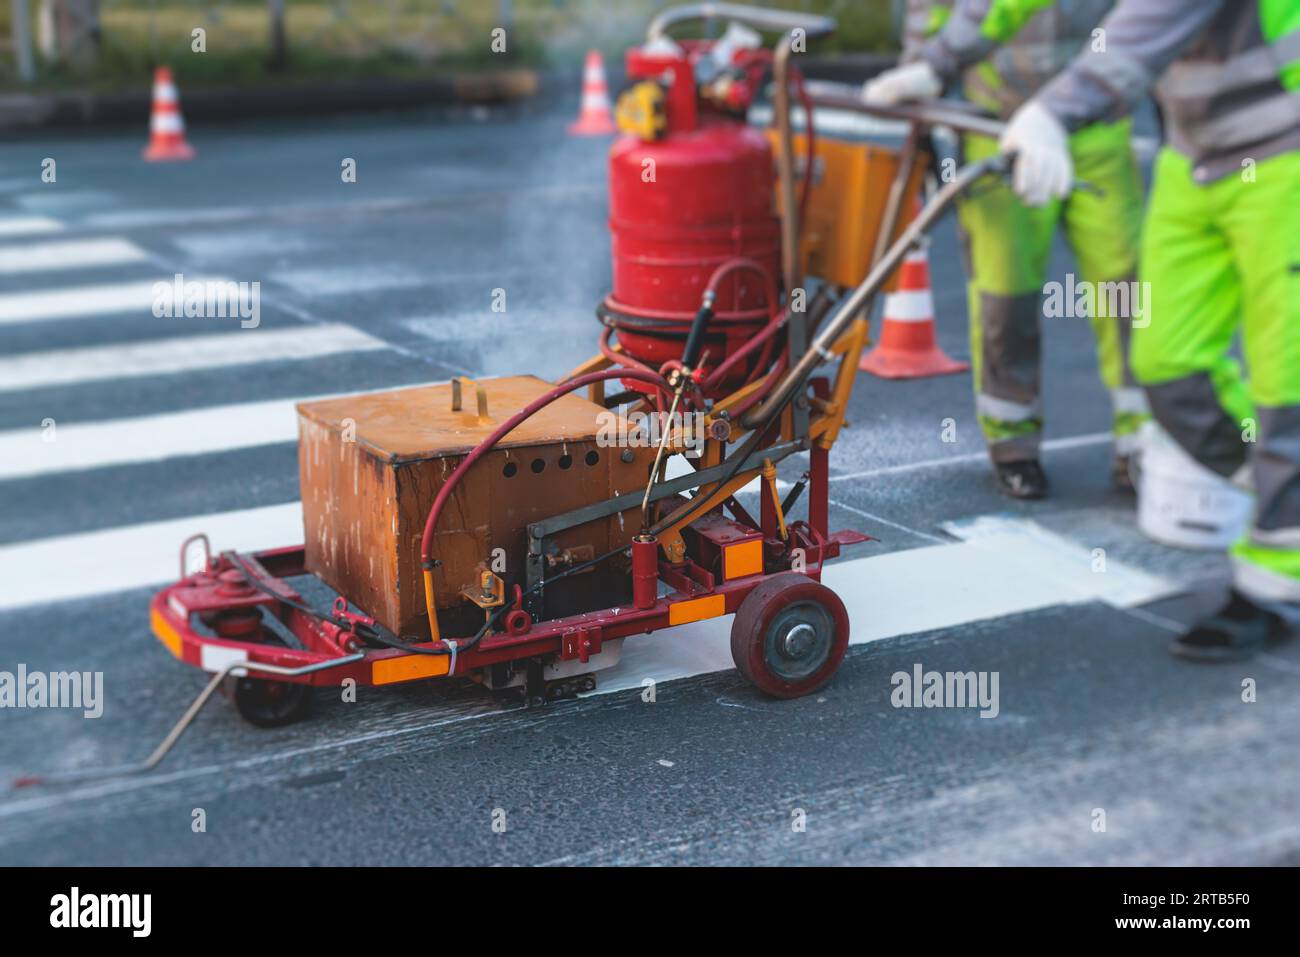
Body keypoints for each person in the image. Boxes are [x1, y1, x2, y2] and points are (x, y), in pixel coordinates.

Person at [992, 0, 1300, 659]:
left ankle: (1271, 585)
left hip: (1284, 150)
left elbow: (1150, 19)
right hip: (1194, 156)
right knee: (1163, 362)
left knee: (1286, 386)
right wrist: (934, 64)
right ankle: (1282, 491)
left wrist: (1054, 109)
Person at [865, 0, 1147, 499]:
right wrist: (921, 93)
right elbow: (928, 16)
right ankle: (1013, 445)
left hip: (1097, 125)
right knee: (1004, 297)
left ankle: (1140, 443)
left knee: (1125, 290)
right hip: (999, 128)